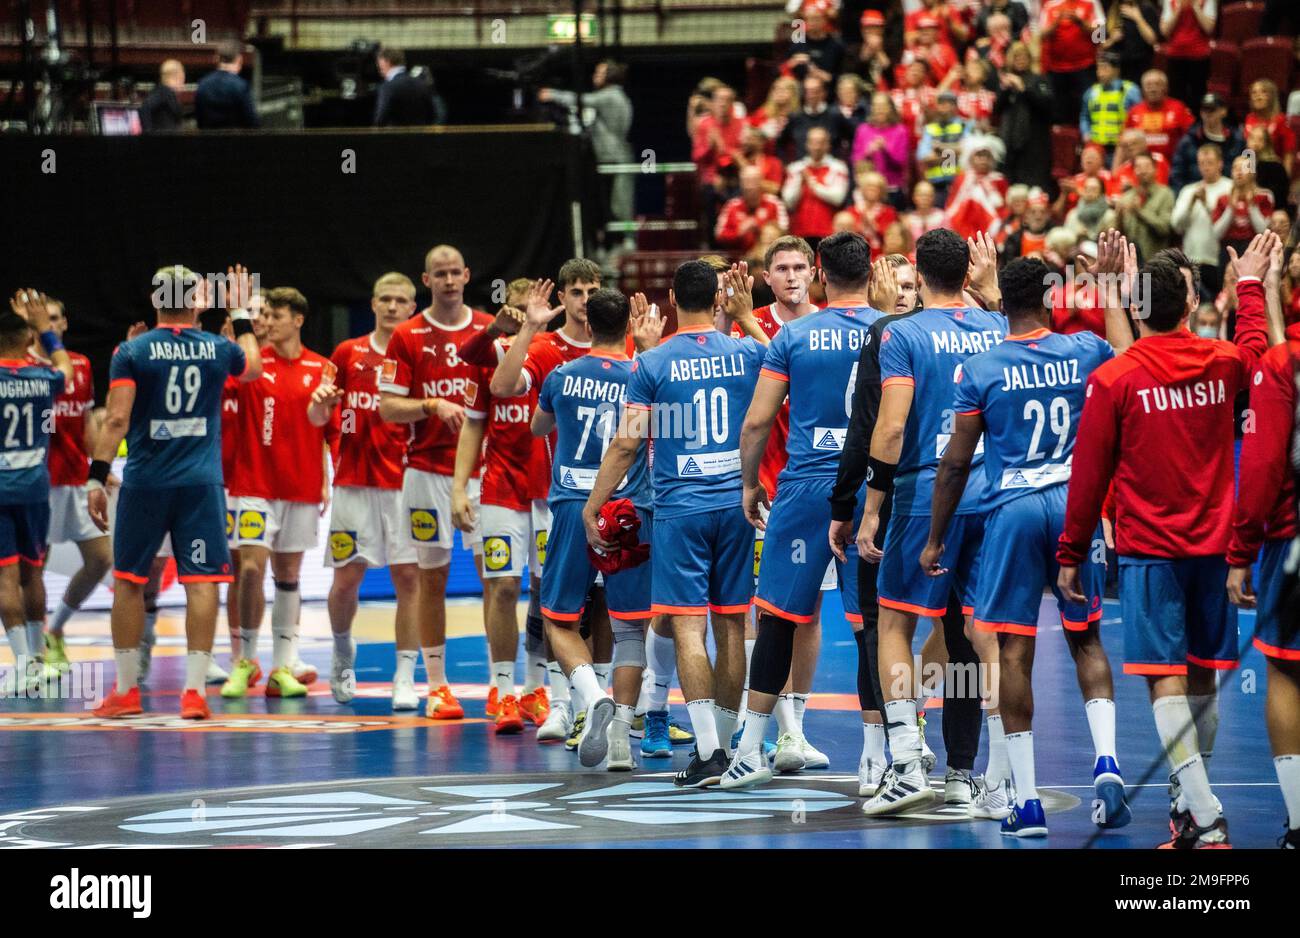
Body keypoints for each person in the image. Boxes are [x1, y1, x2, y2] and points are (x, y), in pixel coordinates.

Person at [1057, 231, 1277, 848]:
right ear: (1190, 306)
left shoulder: (1115, 379)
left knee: (1164, 677)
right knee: (1202, 669)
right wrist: (1253, 289)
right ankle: (1189, 800)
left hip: (1152, 551)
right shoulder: (1224, 362)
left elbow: (1089, 472)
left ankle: (1203, 811)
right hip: (1218, 547)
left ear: (1138, 305)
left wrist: (1072, 552)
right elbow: (1259, 355)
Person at [923, 252, 1132, 837]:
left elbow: (956, 462)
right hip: (1075, 505)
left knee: (1012, 651)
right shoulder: (1086, 350)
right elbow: (1128, 360)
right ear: (1051, 298)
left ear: (1001, 302)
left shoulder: (981, 367)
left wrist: (936, 537)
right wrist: (1113, 288)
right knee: (1085, 638)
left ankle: (1026, 801)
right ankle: (1108, 763)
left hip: (1012, 510)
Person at [585, 260, 765, 789]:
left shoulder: (652, 363)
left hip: (680, 510)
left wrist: (593, 504)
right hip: (736, 503)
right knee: (733, 621)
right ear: (717, 299)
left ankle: (708, 750)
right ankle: (732, 748)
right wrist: (748, 317)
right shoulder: (749, 354)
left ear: (669, 298)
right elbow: (776, 404)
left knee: (688, 625)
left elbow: (627, 443)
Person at [722, 231, 885, 789]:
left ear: (818, 271)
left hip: (804, 488)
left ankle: (747, 751)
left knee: (777, 619)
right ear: (871, 270)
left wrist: (748, 484)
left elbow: (754, 423)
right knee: (872, 626)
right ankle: (876, 760)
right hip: (869, 488)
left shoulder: (794, 335)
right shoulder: (893, 332)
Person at [858, 229, 1009, 818]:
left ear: (916, 276)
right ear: (967, 275)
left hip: (924, 491)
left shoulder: (903, 334)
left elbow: (891, 429)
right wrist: (992, 294)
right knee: (981, 633)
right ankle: (988, 777)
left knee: (893, 619)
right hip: (987, 493)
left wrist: (873, 505)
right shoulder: (997, 328)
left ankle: (904, 762)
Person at [89, 266, 262, 718]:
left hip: (146, 481)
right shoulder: (218, 348)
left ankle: (126, 691)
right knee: (201, 581)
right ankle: (194, 693)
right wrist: (240, 312)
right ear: (199, 302)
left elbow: (115, 420)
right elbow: (253, 369)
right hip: (201, 483)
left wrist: (96, 475)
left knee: (129, 580)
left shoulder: (133, 351)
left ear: (155, 298)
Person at [532, 288, 656, 771]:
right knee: (629, 628)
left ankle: (588, 693)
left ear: (586, 326)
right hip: (631, 507)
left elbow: (539, 428)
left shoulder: (560, 375)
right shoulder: (641, 374)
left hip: (572, 505)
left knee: (559, 617)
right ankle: (622, 738)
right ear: (628, 324)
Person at [377, 245, 491, 720]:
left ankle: (502, 684)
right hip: (425, 473)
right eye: (438, 274)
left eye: (454, 273)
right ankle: (438, 686)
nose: (448, 281)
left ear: (467, 275)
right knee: (431, 579)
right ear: (427, 280)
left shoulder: (487, 328)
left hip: (487, 474)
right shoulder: (407, 335)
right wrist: (429, 405)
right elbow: (387, 406)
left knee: (499, 580)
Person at [308, 273, 423, 712]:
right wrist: (321, 401)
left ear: (413, 308)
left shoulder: (417, 354)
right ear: (373, 304)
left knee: (409, 579)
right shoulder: (346, 352)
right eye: (385, 299)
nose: (393, 307)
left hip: (406, 483)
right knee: (346, 579)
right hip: (354, 482)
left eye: (401, 301)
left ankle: (404, 676)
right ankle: (342, 652)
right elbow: (318, 415)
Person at [449, 282, 553, 734]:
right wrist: (458, 489)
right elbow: (472, 427)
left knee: (546, 591)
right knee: (504, 586)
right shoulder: (488, 354)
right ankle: (504, 689)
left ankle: (537, 687)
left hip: (550, 490)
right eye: (518, 304)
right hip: (499, 488)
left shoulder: (553, 352)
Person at [1226, 243, 1300, 849]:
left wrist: (1241, 551)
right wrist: (1262, 291)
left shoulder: (1283, 364)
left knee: (1285, 669)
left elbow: (1263, 465)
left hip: (1292, 540)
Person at [221, 287, 329, 699]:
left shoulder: (322, 367)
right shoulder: (249, 366)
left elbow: (328, 429)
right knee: (249, 569)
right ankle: (244, 661)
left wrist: (324, 478)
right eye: (262, 314)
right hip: (253, 485)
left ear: (297, 320)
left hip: (299, 487)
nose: (268, 320)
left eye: (275, 314)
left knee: (288, 577)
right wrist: (235, 325)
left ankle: (283, 667)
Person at [0, 292, 73, 695]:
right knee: (32, 572)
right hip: (34, 488)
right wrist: (43, 328)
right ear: (27, 342)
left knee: (5, 578)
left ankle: (25, 665)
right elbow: (66, 368)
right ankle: (40, 660)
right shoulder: (42, 378)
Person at [33, 298, 110, 677]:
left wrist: (99, 468)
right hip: (36, 483)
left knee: (101, 559)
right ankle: (36, 649)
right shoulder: (20, 367)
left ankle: (57, 627)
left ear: (64, 324)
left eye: (55, 319)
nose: (49, 325)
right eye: (42, 320)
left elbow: (85, 423)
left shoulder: (80, 365)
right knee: (34, 569)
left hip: (77, 479)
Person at [541, 60, 635, 222]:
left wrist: (552, 94)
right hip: (614, 155)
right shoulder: (617, 95)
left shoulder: (610, 96)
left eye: (599, 73)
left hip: (611, 156)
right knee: (611, 203)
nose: (594, 76)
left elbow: (582, 100)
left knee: (618, 204)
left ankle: (623, 241)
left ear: (610, 76)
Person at [1170, 144, 1232, 296]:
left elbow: (1229, 225)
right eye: (1202, 163)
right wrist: (1191, 203)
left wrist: (1206, 204)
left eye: (1210, 162)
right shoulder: (1188, 190)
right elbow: (1176, 225)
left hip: (1219, 259)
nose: (1205, 167)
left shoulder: (1230, 188)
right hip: (1193, 260)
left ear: (1220, 163)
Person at [994, 42, 1055, 194]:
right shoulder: (1006, 83)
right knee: (1011, 186)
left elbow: (1048, 106)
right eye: (1016, 57)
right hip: (1010, 143)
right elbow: (996, 110)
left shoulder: (1040, 79)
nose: (1020, 60)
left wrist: (1024, 89)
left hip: (1034, 144)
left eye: (1023, 56)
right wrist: (1005, 90)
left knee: (1034, 188)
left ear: (1029, 59)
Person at [781, 126, 850, 246]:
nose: (817, 147)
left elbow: (838, 198)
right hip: (799, 231)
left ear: (828, 145)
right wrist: (799, 183)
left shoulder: (838, 167)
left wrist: (812, 183)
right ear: (807, 144)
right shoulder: (796, 168)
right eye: (813, 142)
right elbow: (788, 202)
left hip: (829, 233)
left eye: (821, 143)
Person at [1040, 0, 1105, 125]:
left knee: (1087, 107)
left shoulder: (1091, 3)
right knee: (1059, 112)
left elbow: (1100, 36)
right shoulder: (1050, 5)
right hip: (1057, 69)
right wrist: (1056, 22)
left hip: (1085, 66)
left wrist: (1080, 22)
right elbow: (1041, 35)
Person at [1170, 93, 1244, 192]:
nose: (1208, 114)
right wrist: (1185, 195)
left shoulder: (1237, 139)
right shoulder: (1188, 141)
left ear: (1223, 111)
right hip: (1195, 192)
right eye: (1205, 110)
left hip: (1230, 193)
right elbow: (1176, 174)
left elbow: (1250, 167)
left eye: (1212, 110)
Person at [1124, 69, 1194, 164]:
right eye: (1148, 85)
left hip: (1173, 165)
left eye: (1157, 84)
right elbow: (1123, 144)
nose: (1153, 89)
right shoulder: (1134, 111)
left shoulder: (1178, 107)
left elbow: (1191, 137)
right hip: (1141, 167)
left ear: (1165, 88)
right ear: (1143, 89)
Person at [851, 92, 910, 205]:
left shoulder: (900, 131)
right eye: (876, 106)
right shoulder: (863, 130)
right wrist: (868, 152)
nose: (879, 110)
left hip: (891, 189)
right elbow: (856, 160)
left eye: (883, 106)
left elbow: (901, 162)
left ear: (890, 109)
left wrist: (885, 150)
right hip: (867, 190)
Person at [716, 165, 790, 253]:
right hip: (737, 260)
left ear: (761, 182)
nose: (750, 186)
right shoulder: (732, 205)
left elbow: (784, 232)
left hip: (768, 258)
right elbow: (719, 235)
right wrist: (738, 232)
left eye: (753, 181)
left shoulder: (774, 203)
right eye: (746, 181)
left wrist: (759, 226)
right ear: (741, 183)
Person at [1115, 152, 1175, 260]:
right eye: (1138, 167)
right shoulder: (1126, 198)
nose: (1142, 170)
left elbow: (1164, 229)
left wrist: (1140, 212)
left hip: (1155, 263)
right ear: (1134, 171)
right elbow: (1120, 235)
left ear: (1155, 170)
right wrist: (1118, 217)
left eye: (1147, 166)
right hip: (1130, 264)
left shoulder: (1165, 194)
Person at [1212, 155, 1273, 259]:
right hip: (1228, 249)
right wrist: (1230, 208)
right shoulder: (1222, 198)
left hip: (1254, 247)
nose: (1239, 172)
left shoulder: (1264, 196)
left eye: (1244, 168)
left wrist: (1252, 206)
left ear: (1252, 173)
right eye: (1235, 168)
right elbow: (1216, 233)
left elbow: (1263, 231)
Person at [1080, 52, 1141, 154]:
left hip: (1121, 147)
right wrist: (1086, 133)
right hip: (1096, 147)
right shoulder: (1091, 92)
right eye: (1098, 68)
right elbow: (1084, 116)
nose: (1100, 73)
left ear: (1116, 70)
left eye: (1105, 68)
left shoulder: (1130, 90)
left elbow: (1139, 115)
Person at [1159, 0, 1215, 109]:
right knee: (1176, 95)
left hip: (1199, 55)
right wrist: (1179, 9)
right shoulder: (1170, 1)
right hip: (1175, 54)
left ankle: (1198, 122)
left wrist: (1195, 7)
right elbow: (1165, 31)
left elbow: (1209, 28)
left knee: (1198, 94)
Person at [916, 91, 967, 208]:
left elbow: (966, 151)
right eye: (942, 104)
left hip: (959, 184)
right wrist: (953, 154)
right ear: (937, 106)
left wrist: (939, 149)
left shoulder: (965, 125)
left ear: (955, 106)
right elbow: (924, 157)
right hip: (936, 185)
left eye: (949, 104)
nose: (945, 107)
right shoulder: (929, 129)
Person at [194, 41, 258, 130]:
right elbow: (251, 121)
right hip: (235, 141)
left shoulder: (203, 84)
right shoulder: (241, 86)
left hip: (209, 141)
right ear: (239, 59)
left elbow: (199, 120)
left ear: (216, 59)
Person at [1245, 79, 1296, 179]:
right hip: (1252, 171)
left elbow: (1288, 154)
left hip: (1273, 172)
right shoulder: (1249, 118)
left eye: (1263, 92)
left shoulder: (1281, 120)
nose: (1257, 96)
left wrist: (1284, 181)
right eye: (1254, 92)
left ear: (1272, 96)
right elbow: (1247, 151)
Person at [373, 47, 436, 127]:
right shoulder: (421, 84)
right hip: (419, 137)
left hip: (394, 137)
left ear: (386, 62)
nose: (378, 67)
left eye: (379, 63)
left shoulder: (387, 87)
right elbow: (432, 115)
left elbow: (380, 119)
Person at [1102, 0, 1161, 83]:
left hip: (1142, 64)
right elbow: (1098, 43)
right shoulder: (1108, 9)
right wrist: (1112, 39)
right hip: (1117, 68)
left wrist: (1138, 18)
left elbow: (1152, 40)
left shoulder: (1146, 8)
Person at [1243, 125, 1290, 218]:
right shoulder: (1242, 162)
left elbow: (1280, 196)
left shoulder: (1276, 166)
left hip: (1269, 212)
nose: (1255, 142)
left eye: (1260, 139)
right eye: (1252, 138)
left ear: (1267, 143)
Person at [140, 59, 184, 133]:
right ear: (179, 76)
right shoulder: (166, 95)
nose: (182, 84)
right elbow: (145, 108)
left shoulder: (158, 92)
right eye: (182, 79)